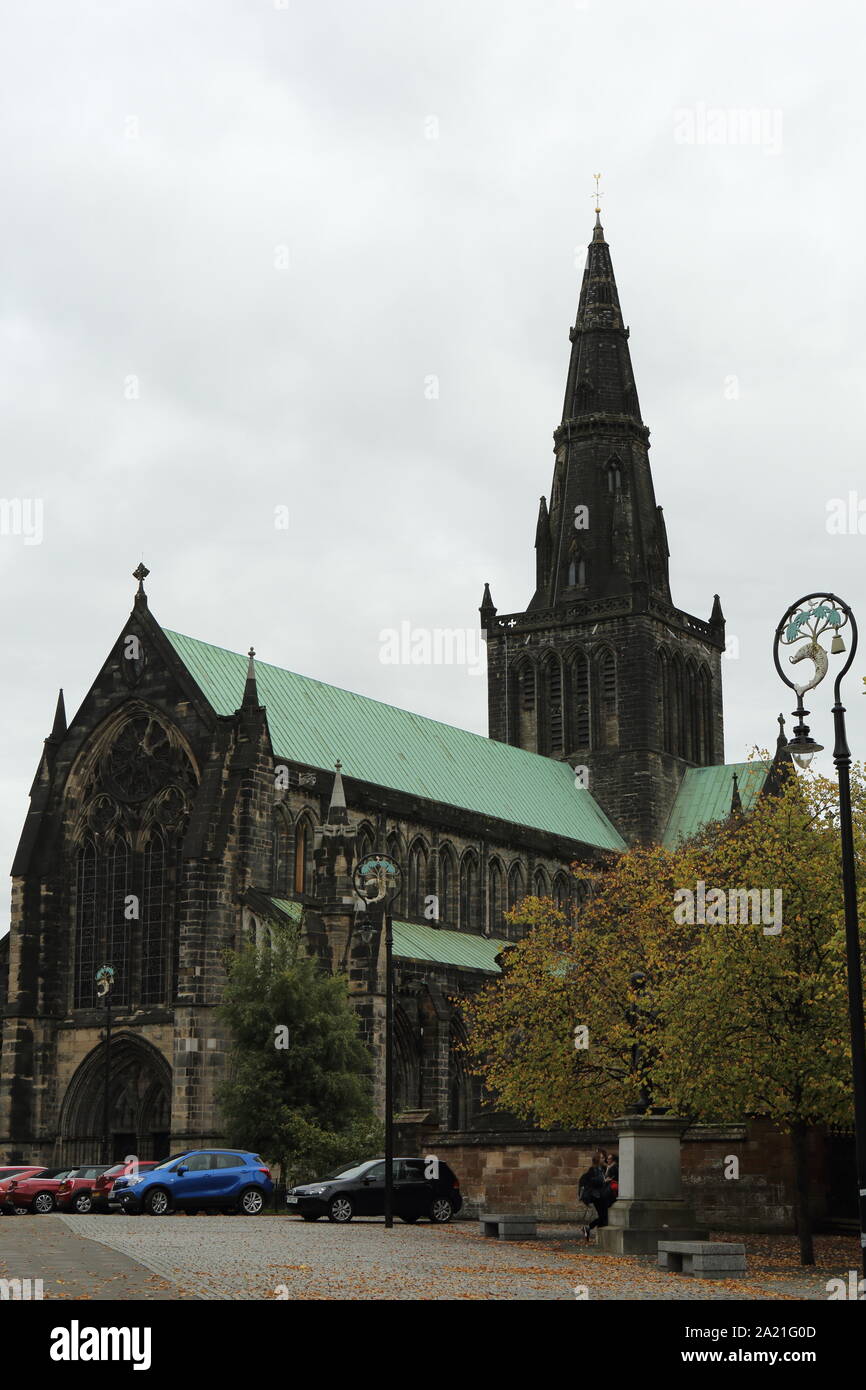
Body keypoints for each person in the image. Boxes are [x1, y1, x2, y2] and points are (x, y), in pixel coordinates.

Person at [578, 1152, 609, 1243]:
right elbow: (591, 1182)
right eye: (602, 1158)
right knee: (604, 1216)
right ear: (597, 1159)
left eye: (604, 1157)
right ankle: (589, 1228)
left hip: (601, 1195)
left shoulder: (602, 1169)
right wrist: (604, 1180)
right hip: (597, 1196)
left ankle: (588, 1228)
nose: (604, 1159)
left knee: (604, 1216)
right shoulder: (593, 1170)